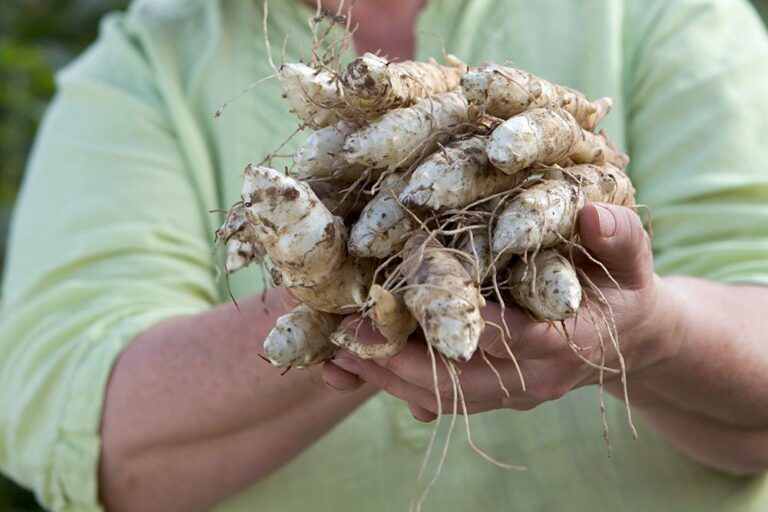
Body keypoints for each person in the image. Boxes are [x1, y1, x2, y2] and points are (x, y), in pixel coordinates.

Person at [1, 0, 768, 510]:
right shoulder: (142, 66)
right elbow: (85, 422)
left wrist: (653, 331)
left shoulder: (663, 14)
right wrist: (342, 278)